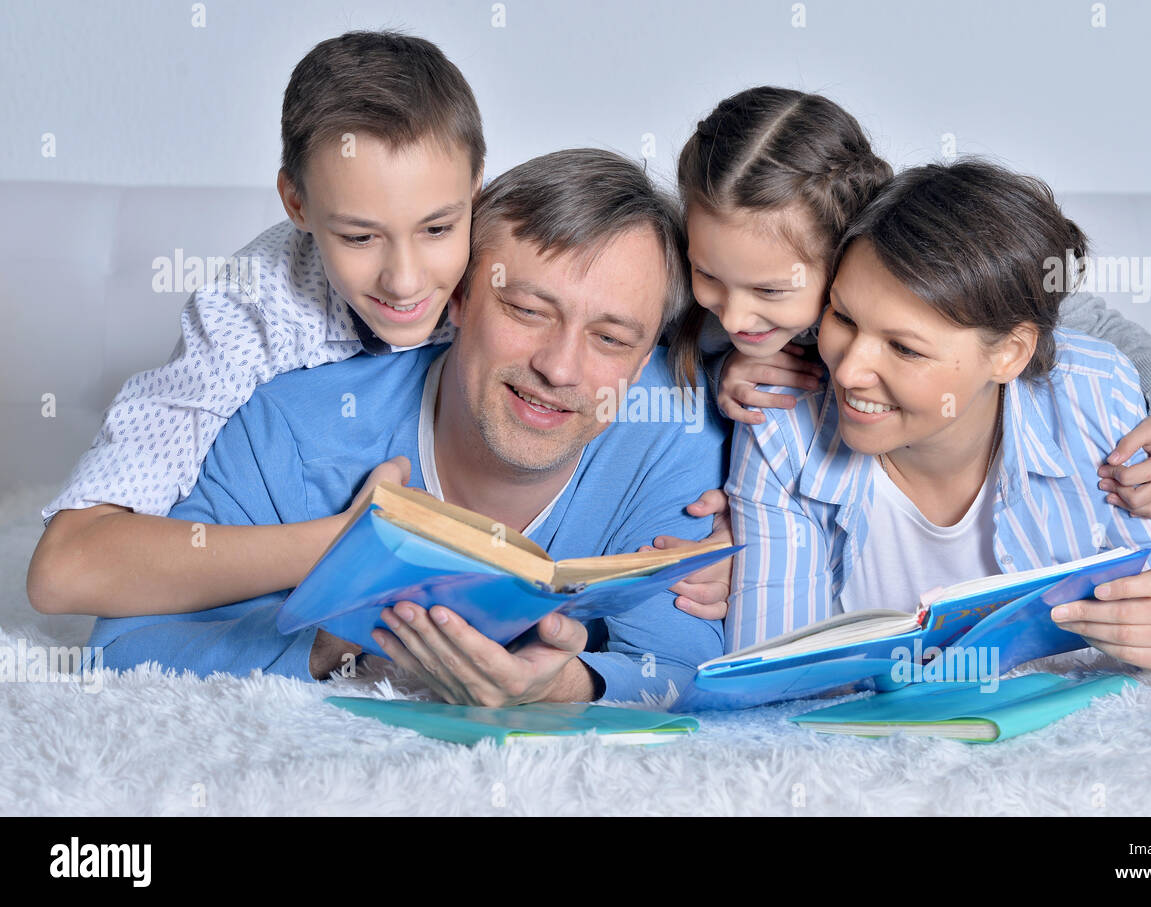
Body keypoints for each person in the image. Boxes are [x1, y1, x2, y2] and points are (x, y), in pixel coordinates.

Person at [28, 30, 726, 620]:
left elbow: (638, 316)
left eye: (437, 227)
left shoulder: (512, 247)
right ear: (296, 203)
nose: (406, 280)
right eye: (360, 237)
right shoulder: (248, 311)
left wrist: (735, 531)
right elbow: (64, 568)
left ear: (476, 188)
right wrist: (349, 546)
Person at [81, 148, 734, 706]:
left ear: (646, 355)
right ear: (457, 298)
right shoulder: (290, 426)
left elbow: (682, 670)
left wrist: (566, 687)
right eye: (528, 310)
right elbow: (122, 645)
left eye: (612, 337)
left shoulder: (675, 428)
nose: (560, 367)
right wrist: (332, 643)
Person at [724, 159, 1151, 674]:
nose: (848, 372)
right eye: (841, 317)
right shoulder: (780, 415)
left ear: (1008, 354)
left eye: (905, 348)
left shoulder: (1096, 395)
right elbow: (763, 668)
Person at [666, 86, 1151, 541]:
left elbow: (1110, 334)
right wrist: (720, 373)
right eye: (709, 276)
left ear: (848, 256)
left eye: (770, 290)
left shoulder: (927, 278)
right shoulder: (705, 309)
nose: (735, 315)